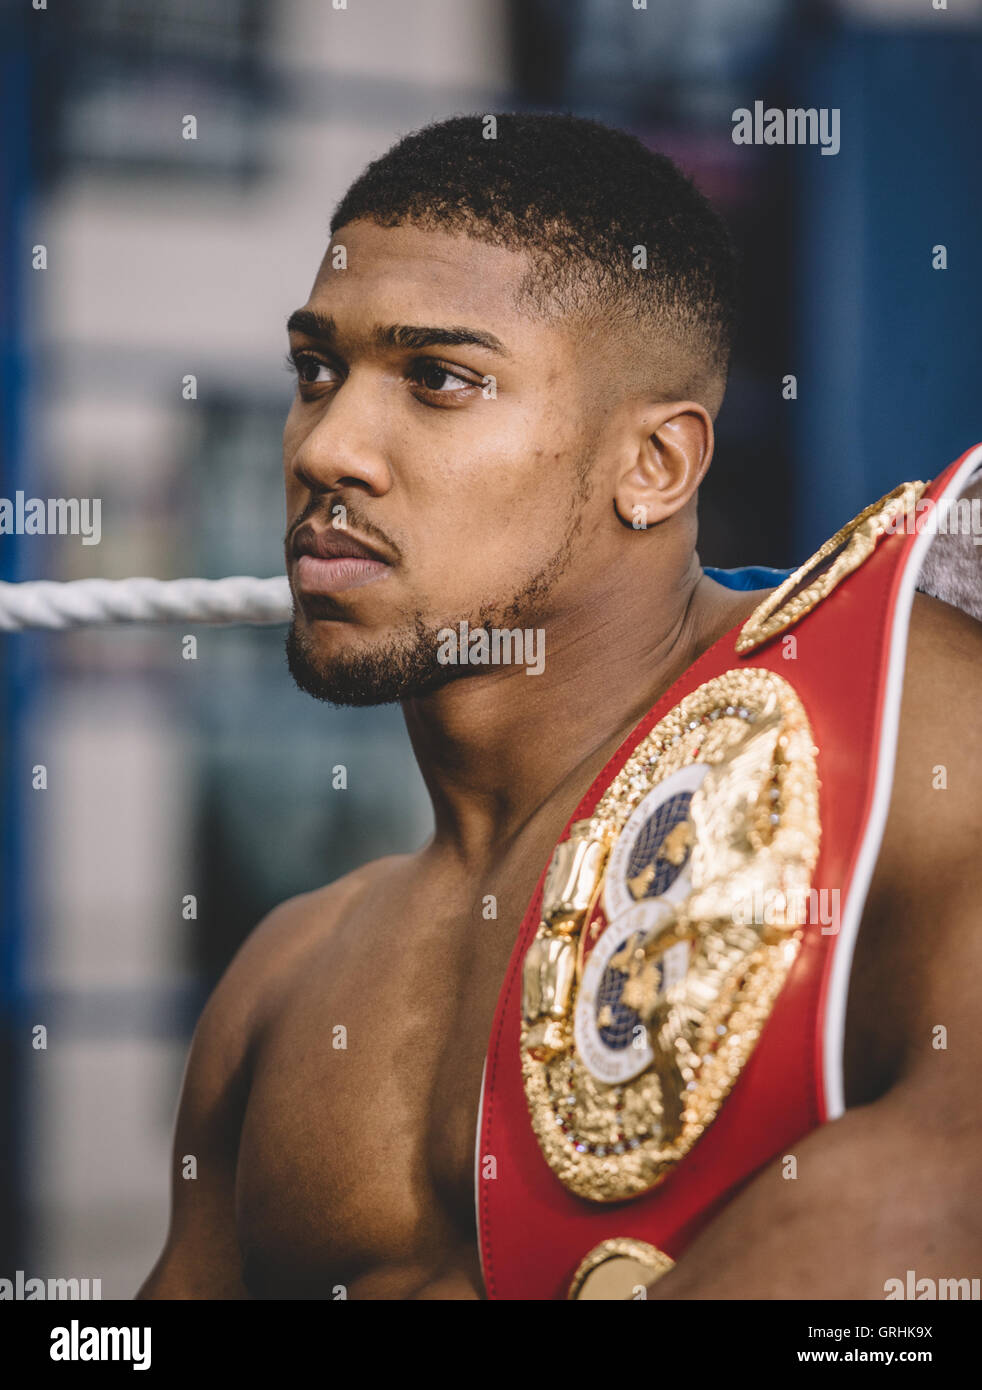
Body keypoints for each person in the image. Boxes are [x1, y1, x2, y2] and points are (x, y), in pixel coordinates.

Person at [136, 113, 982, 1301]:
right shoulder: (282, 987)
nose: (327, 446)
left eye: (440, 380)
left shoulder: (900, 718)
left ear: (656, 467)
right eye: (315, 371)